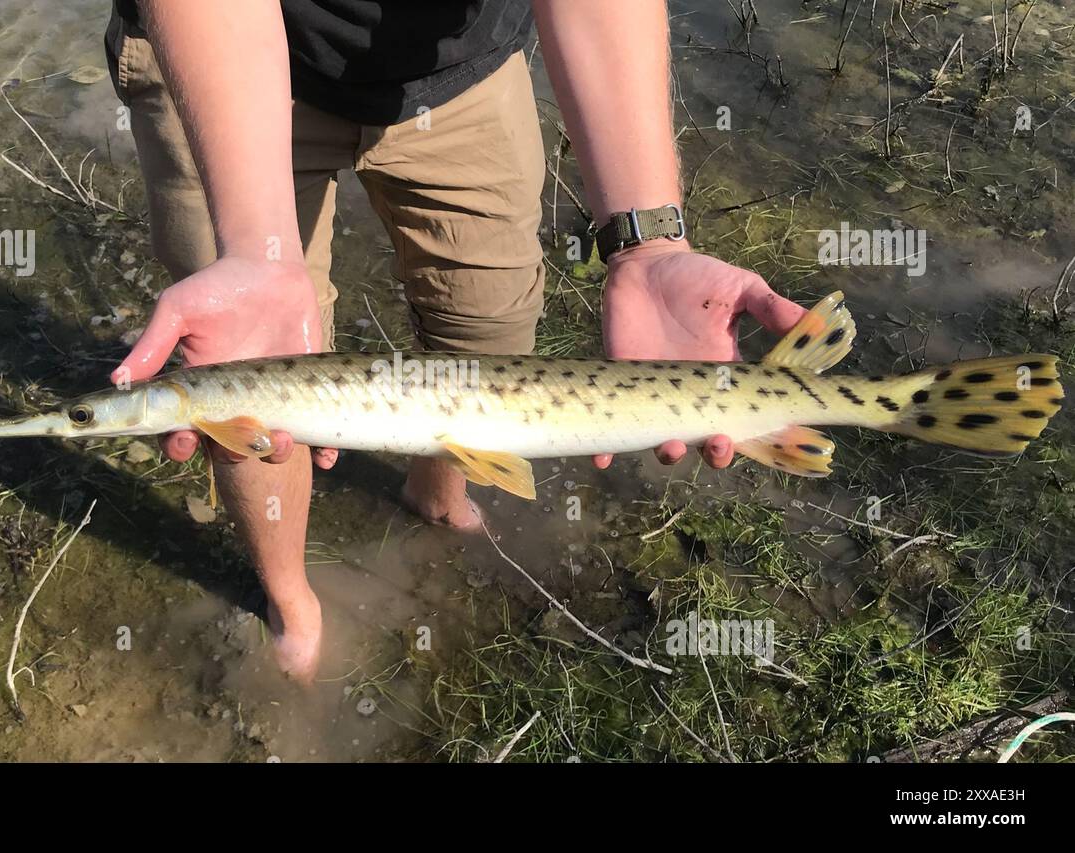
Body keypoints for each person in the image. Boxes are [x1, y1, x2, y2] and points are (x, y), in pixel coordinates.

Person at [103, 0, 807, 681]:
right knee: (245, 354)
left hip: (456, 67)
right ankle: (290, 597)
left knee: (488, 323)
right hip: (215, 51)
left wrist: (647, 241)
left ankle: (438, 497)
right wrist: (256, 252)